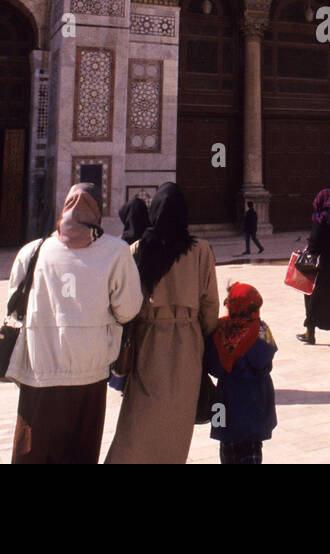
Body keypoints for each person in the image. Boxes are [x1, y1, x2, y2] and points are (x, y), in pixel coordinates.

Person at [7, 183, 143, 463]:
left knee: (36, 448)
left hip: (39, 368)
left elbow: (12, 308)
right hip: (90, 371)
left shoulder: (33, 251)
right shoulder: (115, 251)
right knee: (79, 449)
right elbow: (129, 309)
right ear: (99, 209)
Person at [105, 182, 220, 464]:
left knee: (139, 418)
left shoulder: (137, 250)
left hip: (149, 342)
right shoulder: (201, 251)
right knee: (176, 422)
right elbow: (210, 306)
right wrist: (202, 337)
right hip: (187, 345)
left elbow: (124, 305)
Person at [204, 282, 277, 464]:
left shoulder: (221, 331)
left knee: (227, 451)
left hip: (225, 402)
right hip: (257, 403)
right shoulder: (262, 329)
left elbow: (213, 367)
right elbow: (266, 361)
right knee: (252, 449)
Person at [298, 188, 330, 350]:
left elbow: (315, 242)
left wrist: (308, 251)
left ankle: (310, 333)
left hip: (322, 267)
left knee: (312, 297)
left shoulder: (321, 219)